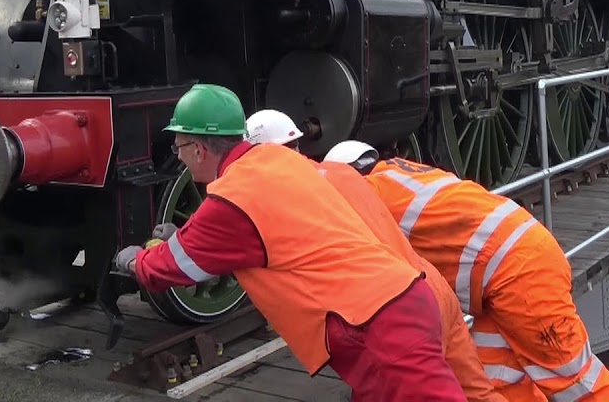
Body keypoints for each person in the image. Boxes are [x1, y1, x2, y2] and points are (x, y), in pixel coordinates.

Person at [116, 85, 466, 401]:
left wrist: (133, 261)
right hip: (400, 302)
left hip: (377, 326)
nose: (177, 155)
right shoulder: (277, 160)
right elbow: (265, 233)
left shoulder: (232, 198)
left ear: (199, 148)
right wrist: (188, 237)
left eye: (179, 146)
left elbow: (174, 266)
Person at [324, 141, 609, 402]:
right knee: (495, 380)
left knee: (578, 384)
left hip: (516, 275)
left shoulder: (369, 194)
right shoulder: (403, 172)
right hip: (509, 271)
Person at [251, 111, 502, 402]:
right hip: (429, 287)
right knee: (480, 393)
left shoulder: (297, 194)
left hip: (396, 309)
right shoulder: (343, 175)